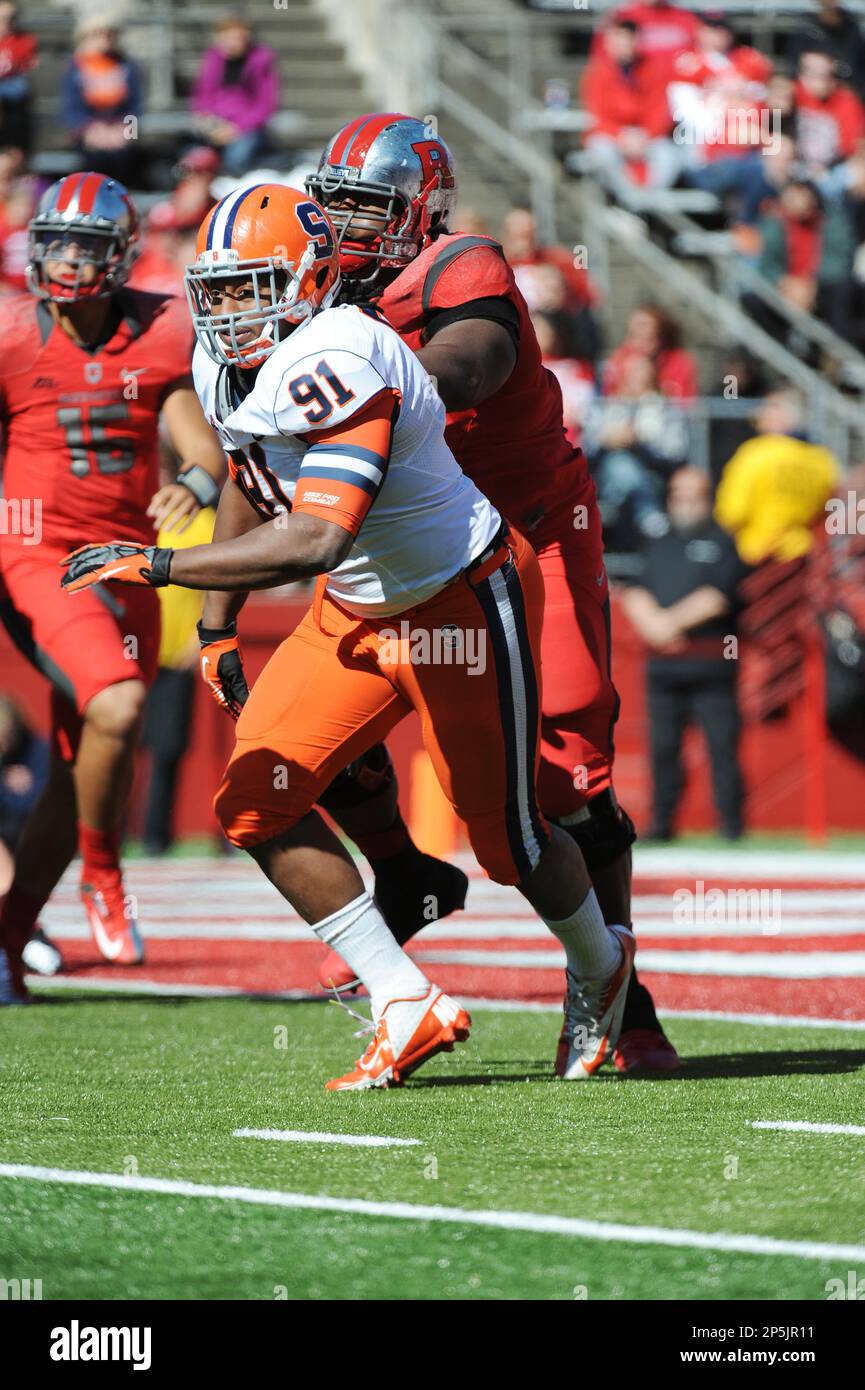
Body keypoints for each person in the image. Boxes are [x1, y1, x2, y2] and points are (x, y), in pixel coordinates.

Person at [59, 184, 637, 1090]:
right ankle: (403, 1002)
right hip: (354, 609)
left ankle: (603, 971)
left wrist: (160, 568)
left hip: (456, 599)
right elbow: (253, 471)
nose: (229, 311)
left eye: (252, 288)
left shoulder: (341, 353)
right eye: (216, 291)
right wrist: (217, 630)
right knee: (255, 801)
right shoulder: (228, 362)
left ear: (312, 277)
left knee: (506, 839)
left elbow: (315, 535)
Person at [306, 113, 679, 1074]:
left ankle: (619, 992)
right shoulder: (308, 283)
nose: (345, 223)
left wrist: (332, 373)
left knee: (563, 776)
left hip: (529, 534)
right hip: (400, 551)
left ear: (422, 210)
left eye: (369, 206)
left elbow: (466, 367)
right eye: (335, 202)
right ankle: (405, 869)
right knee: (297, 741)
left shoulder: (460, 268)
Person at [0, 172, 226, 1004]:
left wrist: (193, 491)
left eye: (83, 246)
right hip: (34, 549)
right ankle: (104, 872)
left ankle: (9, 939)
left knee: (76, 761)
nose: (64, 260)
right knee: (121, 708)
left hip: (124, 562)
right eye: (53, 242)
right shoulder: (12, 335)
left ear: (120, 255)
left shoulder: (161, 331)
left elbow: (206, 453)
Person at [622, 466, 748, 840]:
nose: (686, 503)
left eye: (694, 495)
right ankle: (661, 825)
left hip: (711, 667)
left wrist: (666, 625)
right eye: (679, 495)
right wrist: (653, 625)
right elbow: (635, 589)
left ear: (708, 498)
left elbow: (716, 598)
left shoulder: (724, 542)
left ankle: (731, 827)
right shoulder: (659, 541)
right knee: (662, 749)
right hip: (664, 669)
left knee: (722, 747)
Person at [715, 389, 841, 565]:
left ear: (781, 416)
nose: (760, 414)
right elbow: (828, 512)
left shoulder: (756, 453)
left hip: (757, 554)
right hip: (801, 555)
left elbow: (732, 512)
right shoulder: (822, 460)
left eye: (768, 408)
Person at [581, 19, 679, 197]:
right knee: (601, 150)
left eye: (628, 41)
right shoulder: (597, 72)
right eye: (618, 42)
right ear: (608, 44)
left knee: (668, 155)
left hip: (644, 135)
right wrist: (620, 135)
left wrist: (645, 135)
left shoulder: (651, 69)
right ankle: (629, 199)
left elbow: (660, 111)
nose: (623, 47)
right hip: (614, 135)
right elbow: (596, 116)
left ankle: (649, 202)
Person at [190, 17, 279, 177]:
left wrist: (236, 128)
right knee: (193, 156)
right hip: (216, 124)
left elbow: (265, 105)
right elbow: (203, 95)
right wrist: (207, 119)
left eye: (238, 38)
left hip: (246, 127)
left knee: (236, 159)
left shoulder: (261, 61)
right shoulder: (213, 59)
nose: (233, 43)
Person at [60, 17, 143, 187]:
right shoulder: (75, 68)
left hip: (120, 132)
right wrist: (90, 130)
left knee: (126, 158)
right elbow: (71, 109)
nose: (105, 40)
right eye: (99, 35)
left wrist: (127, 131)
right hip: (89, 135)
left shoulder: (126, 66)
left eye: (110, 35)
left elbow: (136, 108)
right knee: (96, 161)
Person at [602, 303, 699, 399]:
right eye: (634, 335)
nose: (640, 343)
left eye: (649, 338)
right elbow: (609, 397)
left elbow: (683, 403)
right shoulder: (619, 360)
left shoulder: (679, 362)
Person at [787, 1, 865, 100]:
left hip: (848, 96)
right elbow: (794, 68)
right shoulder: (807, 30)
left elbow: (860, 67)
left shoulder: (852, 29)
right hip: (810, 97)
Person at [0, 1, 37, 156]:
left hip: (13, 85)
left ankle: (16, 152)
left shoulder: (24, 40)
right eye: (2, 18)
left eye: (11, 18)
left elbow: (25, 65)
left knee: (20, 88)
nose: (7, 22)